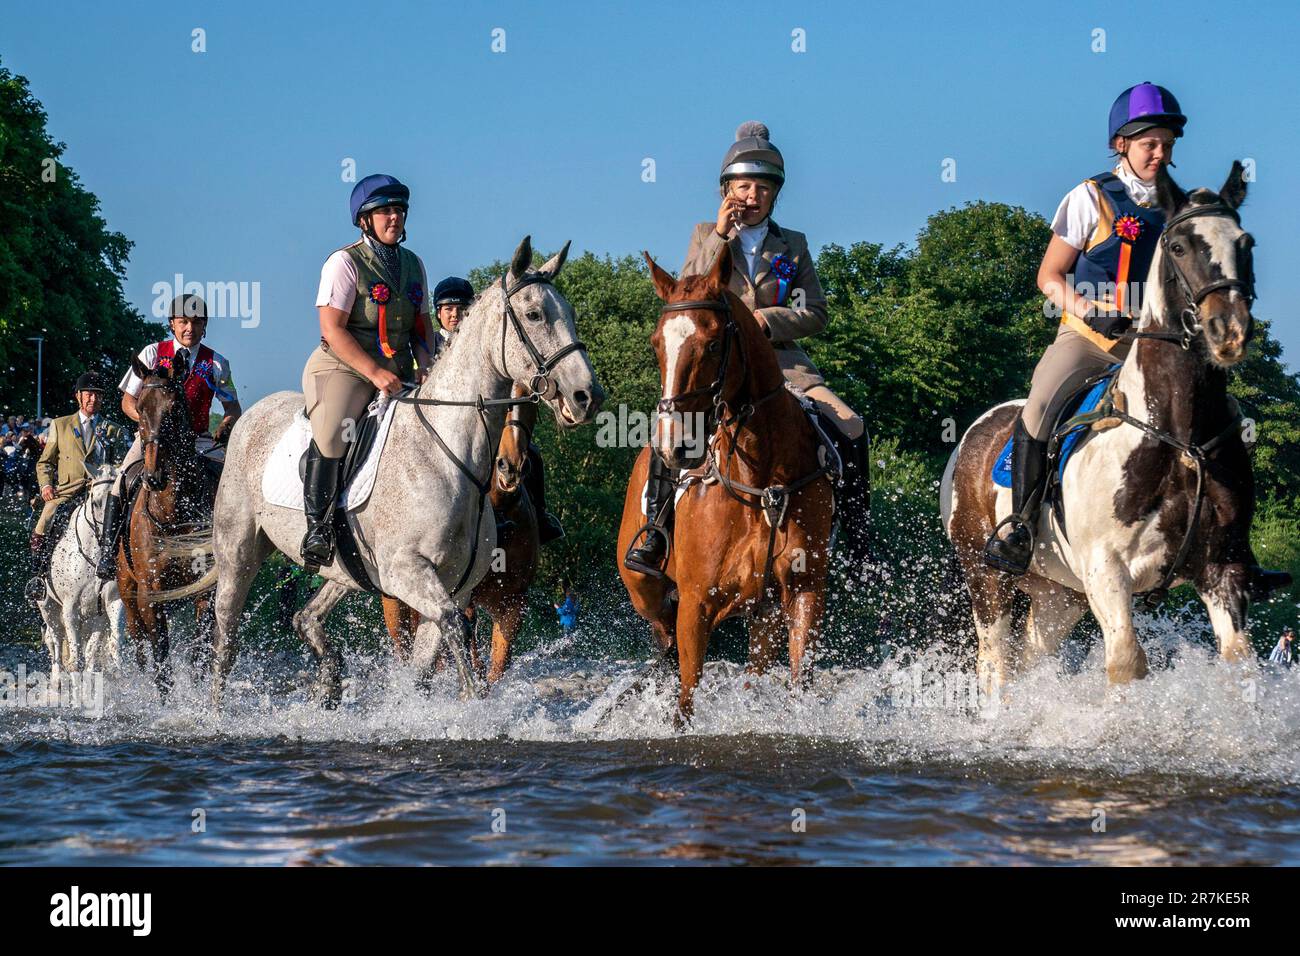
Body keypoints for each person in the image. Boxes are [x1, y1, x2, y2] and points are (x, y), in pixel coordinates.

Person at [625, 120, 871, 577]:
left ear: (775, 193)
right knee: (671, 437)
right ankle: (655, 535)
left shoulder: (793, 245)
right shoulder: (704, 235)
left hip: (786, 370)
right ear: (726, 190)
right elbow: (686, 294)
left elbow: (816, 312)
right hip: (716, 370)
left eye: (761, 187)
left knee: (852, 427)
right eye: (743, 186)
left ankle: (858, 542)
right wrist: (719, 235)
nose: (752, 195)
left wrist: (766, 321)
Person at [983, 83, 1186, 574]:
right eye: (1149, 144)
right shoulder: (1089, 197)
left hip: (1151, 346)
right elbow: (1048, 276)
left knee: (1217, 417)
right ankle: (1020, 527)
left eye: (1167, 144)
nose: (1160, 153)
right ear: (1122, 144)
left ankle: (1224, 543)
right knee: (1039, 409)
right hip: (1089, 342)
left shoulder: (1179, 206)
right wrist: (1091, 311)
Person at [301, 174, 435, 567]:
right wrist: (376, 374)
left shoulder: (414, 265)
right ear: (365, 220)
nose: (395, 217)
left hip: (398, 372)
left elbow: (422, 328)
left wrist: (427, 366)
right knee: (332, 432)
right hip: (343, 368)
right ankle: (319, 528)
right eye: (385, 211)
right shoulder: (344, 262)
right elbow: (332, 329)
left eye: (399, 210)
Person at [96, 293, 242, 578]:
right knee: (121, 480)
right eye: (183, 322)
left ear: (205, 326)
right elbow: (127, 402)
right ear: (172, 324)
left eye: (196, 322)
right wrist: (150, 424)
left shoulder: (217, 364)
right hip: (152, 439)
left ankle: (235, 551)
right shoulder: (151, 353)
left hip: (198, 439)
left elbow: (233, 408)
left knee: (232, 483)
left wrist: (226, 424)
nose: (189, 328)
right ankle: (107, 551)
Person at [26, 372, 129, 600]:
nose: (94, 399)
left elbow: (121, 465)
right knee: (46, 518)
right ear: (78, 396)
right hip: (67, 491)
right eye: (89, 394)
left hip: (101, 494)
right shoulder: (60, 425)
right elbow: (45, 462)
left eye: (98, 395)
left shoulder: (114, 430)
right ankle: (37, 575)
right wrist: (45, 486)